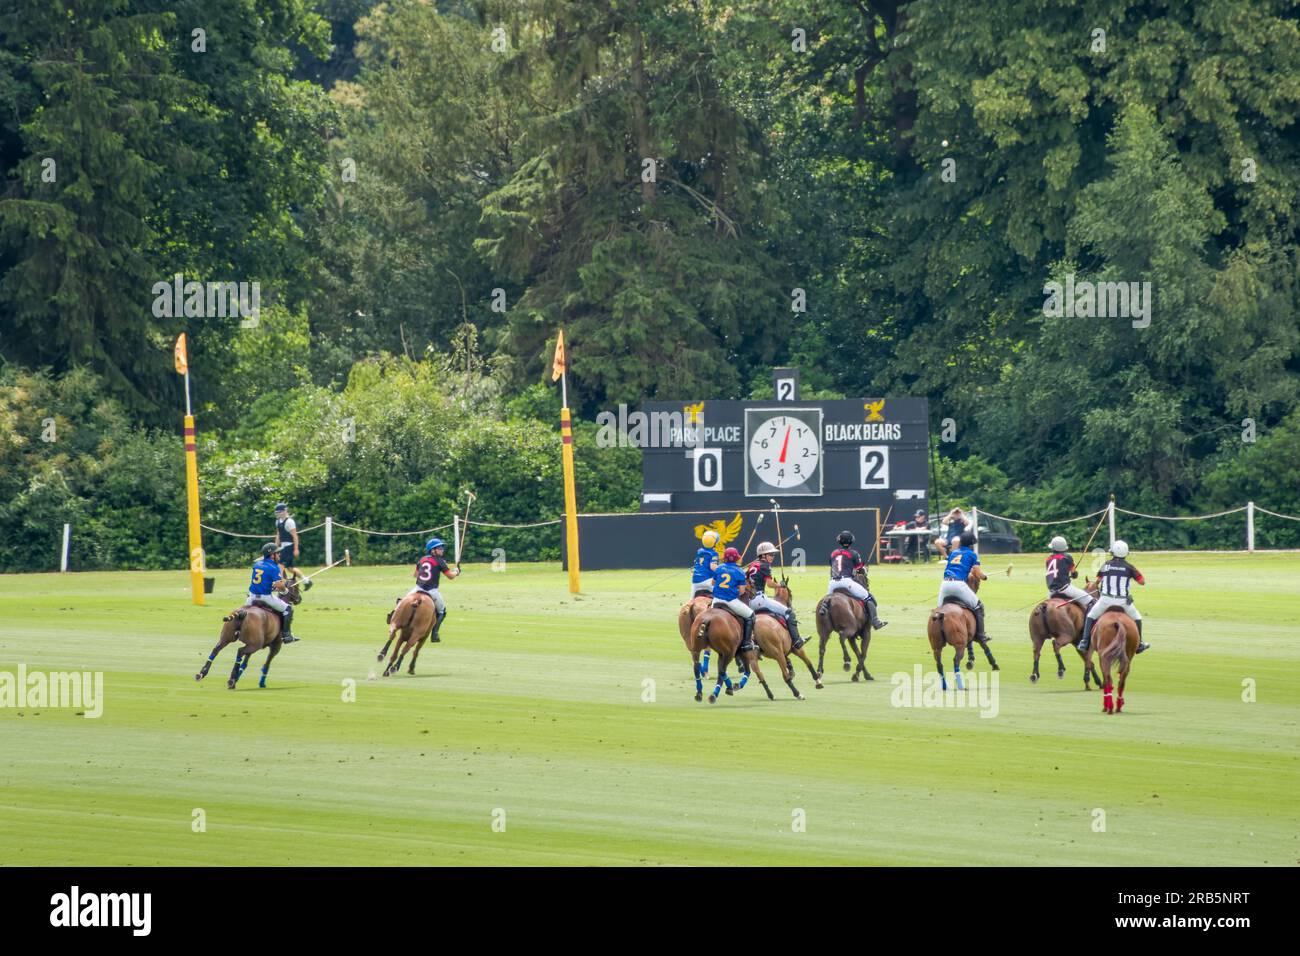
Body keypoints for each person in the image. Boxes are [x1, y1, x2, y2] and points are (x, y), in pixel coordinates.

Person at [1077, 540, 1148, 655]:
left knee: (1090, 615)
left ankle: (1084, 641)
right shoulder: (1130, 567)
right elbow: (1142, 582)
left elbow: (1098, 581)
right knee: (1137, 617)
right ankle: (1139, 644)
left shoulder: (1106, 565)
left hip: (1106, 600)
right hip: (1123, 601)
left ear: (1113, 552)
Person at [746, 541, 805, 648]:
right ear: (763, 555)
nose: (772, 557)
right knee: (789, 613)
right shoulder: (765, 566)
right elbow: (769, 584)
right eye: (770, 554)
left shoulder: (752, 565)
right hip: (760, 600)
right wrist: (780, 585)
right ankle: (796, 641)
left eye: (773, 554)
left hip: (748, 602)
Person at [827, 530, 888, 629]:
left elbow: (833, 566)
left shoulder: (833, 553)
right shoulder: (853, 553)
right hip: (847, 582)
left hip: (832, 583)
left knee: (826, 604)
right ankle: (875, 621)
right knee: (868, 597)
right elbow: (860, 571)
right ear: (851, 541)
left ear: (839, 541)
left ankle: (827, 623)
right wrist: (864, 569)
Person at [405, 537, 460, 642]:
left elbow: (415, 575)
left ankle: (393, 615)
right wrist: (457, 571)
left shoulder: (422, 559)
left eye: (442, 547)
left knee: (403, 601)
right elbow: (450, 576)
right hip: (431, 591)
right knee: (442, 611)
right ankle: (434, 634)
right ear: (433, 550)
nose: (442, 549)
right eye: (439, 547)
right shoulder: (440, 561)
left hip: (418, 588)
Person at [938, 532, 989, 643]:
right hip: (958, 585)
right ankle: (981, 635)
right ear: (971, 544)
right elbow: (977, 573)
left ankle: (939, 635)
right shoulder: (972, 555)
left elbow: (954, 567)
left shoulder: (953, 553)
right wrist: (984, 577)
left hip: (945, 584)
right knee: (979, 606)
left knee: (938, 613)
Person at [246, 542, 300, 643]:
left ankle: (238, 631)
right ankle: (287, 636)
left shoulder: (257, 564)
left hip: (251, 597)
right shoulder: (274, 567)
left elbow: (263, 580)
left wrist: (272, 586)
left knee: (243, 613)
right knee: (288, 609)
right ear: (272, 555)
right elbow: (279, 585)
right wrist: (284, 591)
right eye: (277, 553)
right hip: (265, 598)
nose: (279, 555)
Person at [711, 547, 757, 654]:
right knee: (751, 615)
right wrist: (732, 590)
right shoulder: (739, 571)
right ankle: (746, 643)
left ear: (725, 558)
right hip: (730, 601)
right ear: (736, 558)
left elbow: (713, 583)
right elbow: (741, 591)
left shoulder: (719, 568)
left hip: (716, 600)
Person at [1045, 536, 1094, 612]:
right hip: (1065, 589)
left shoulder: (1048, 559)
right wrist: (1074, 574)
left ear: (1053, 548)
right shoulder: (1067, 557)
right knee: (1091, 601)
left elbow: (1056, 573)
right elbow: (1074, 575)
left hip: (1051, 592)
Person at [274, 503, 301, 576]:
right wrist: (275, 547)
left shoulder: (289, 522)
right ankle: (306, 581)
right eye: (277, 512)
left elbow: (295, 536)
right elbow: (278, 535)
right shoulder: (277, 522)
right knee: (290, 568)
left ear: (285, 511)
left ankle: (281, 585)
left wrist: (296, 549)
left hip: (289, 546)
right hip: (283, 546)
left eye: (280, 512)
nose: (278, 514)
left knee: (280, 565)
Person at [692, 529, 721, 597]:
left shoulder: (699, 551)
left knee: (691, 601)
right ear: (714, 543)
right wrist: (722, 570)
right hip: (707, 581)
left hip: (695, 581)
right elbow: (713, 567)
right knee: (720, 595)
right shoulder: (714, 554)